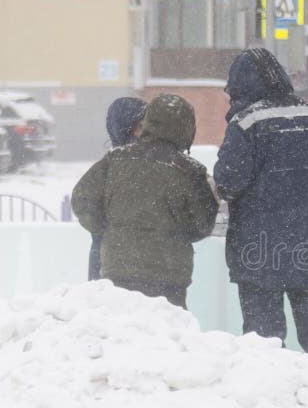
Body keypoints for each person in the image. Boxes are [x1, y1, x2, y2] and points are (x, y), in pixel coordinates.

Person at [214, 48, 308, 365]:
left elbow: (228, 182)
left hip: (258, 252)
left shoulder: (246, 123)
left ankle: (272, 406)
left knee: (265, 343)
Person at [72, 94, 219, 308]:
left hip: (117, 268)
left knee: (121, 332)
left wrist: (110, 228)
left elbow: (82, 199)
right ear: (187, 129)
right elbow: (203, 223)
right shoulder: (190, 171)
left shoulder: (116, 159)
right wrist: (177, 237)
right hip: (169, 274)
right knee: (165, 333)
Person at [87, 97, 148, 281]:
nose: (146, 130)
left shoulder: (149, 163)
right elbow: (85, 207)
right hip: (110, 266)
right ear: (127, 127)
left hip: (132, 265)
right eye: (140, 125)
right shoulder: (109, 168)